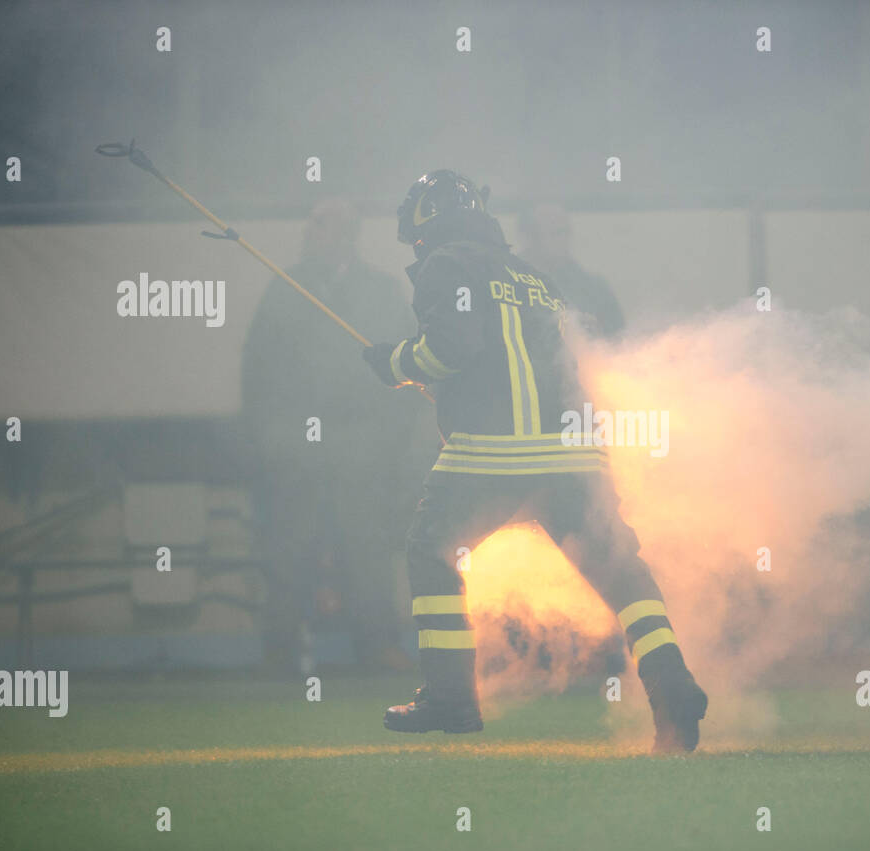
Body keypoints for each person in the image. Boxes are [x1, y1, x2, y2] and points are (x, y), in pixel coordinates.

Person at [362, 171, 707, 752]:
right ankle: (672, 686)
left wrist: (395, 362)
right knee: (622, 575)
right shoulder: (535, 278)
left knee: (431, 551)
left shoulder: (446, 264)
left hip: (493, 453)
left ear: (427, 220)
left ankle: (450, 697)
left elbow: (451, 346)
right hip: (575, 454)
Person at [241, 199, 435, 672]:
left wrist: (388, 445)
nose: (318, 235)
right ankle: (281, 649)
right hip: (295, 448)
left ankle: (378, 646)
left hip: (362, 448)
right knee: (289, 551)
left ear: (351, 233)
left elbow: (405, 372)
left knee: (367, 552)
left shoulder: (383, 292)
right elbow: (258, 374)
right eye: (315, 227)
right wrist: (273, 440)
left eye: (329, 227)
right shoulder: (285, 288)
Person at [517, 202, 625, 341]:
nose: (565, 239)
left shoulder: (595, 290)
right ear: (528, 238)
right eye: (556, 233)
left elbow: (619, 343)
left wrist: (597, 338)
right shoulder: (507, 285)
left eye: (566, 232)